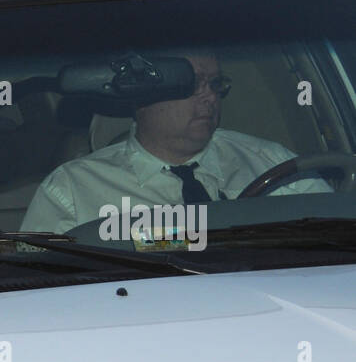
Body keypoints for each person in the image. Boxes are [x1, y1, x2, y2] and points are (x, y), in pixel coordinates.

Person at [21, 52, 330, 235]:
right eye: (192, 84)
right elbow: (35, 282)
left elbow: (337, 239)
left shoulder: (272, 163)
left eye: (215, 84)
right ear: (140, 95)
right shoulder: (74, 189)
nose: (210, 96)